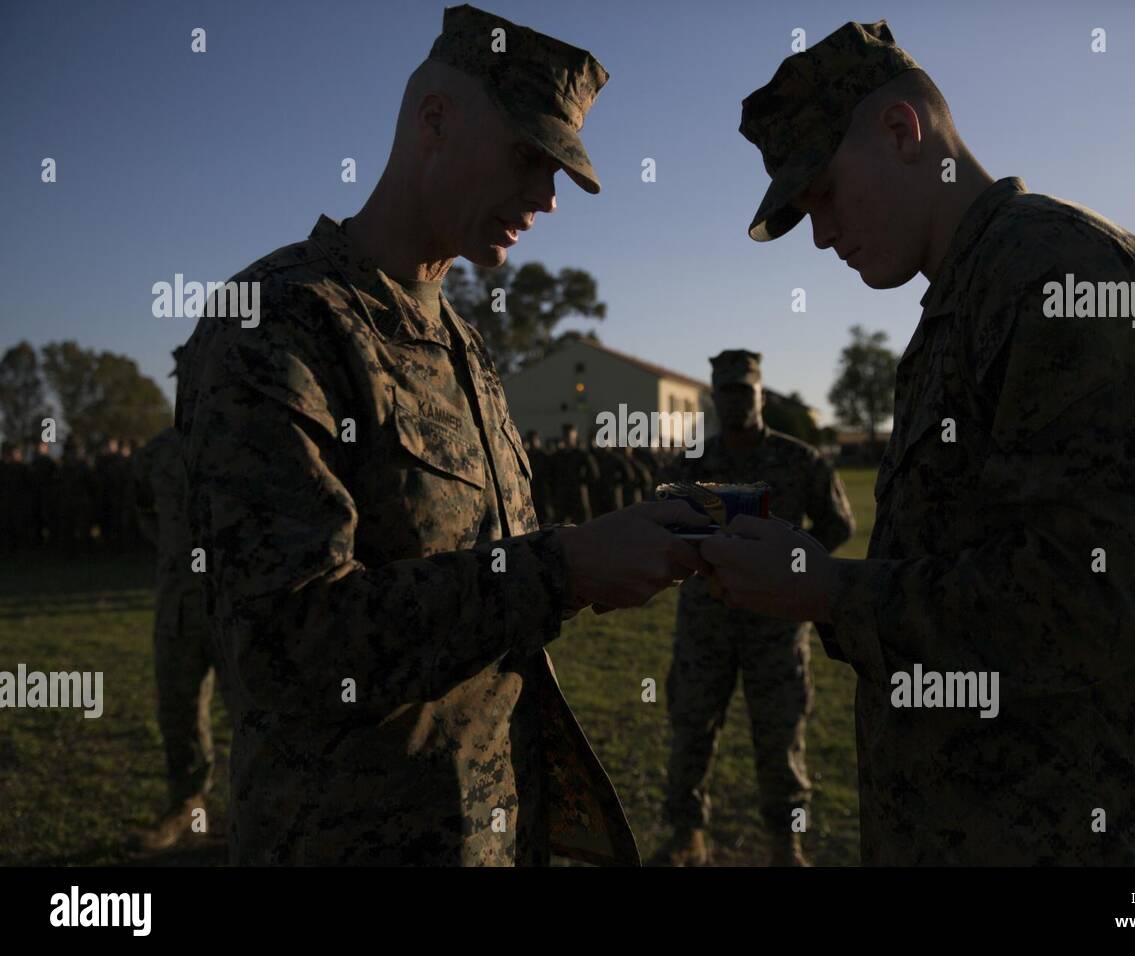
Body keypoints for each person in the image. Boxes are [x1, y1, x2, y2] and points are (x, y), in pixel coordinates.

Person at [176, 3, 708, 866]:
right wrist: (566, 567)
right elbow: (286, 643)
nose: (545, 197)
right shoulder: (279, 324)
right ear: (435, 120)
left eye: (558, 172)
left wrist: (607, 556)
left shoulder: (460, 342)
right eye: (530, 158)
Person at [700, 19, 1135, 865]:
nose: (823, 235)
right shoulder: (967, 299)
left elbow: (1110, 599)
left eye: (823, 193)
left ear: (903, 132)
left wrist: (828, 591)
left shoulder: (1059, 275)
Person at [652, 350, 854, 867]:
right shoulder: (692, 463)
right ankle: (684, 835)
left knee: (781, 732)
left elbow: (838, 523)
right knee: (691, 725)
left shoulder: (799, 459)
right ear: (714, 397)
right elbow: (663, 527)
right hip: (706, 622)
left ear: (761, 394)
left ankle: (785, 845)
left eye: (745, 391)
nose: (736, 400)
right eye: (726, 392)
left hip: (775, 624)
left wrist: (790, 562)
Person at [130, 409, 228, 852]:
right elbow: (141, 510)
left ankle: (255, 821)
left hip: (236, 602)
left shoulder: (249, 435)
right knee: (178, 711)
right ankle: (188, 813)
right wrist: (176, 554)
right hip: (178, 605)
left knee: (255, 712)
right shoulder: (156, 452)